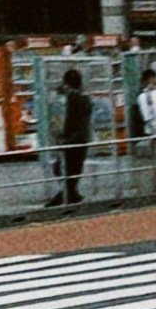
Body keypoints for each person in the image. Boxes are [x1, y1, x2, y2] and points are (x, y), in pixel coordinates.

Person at [52, 65, 93, 206]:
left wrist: (62, 137)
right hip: (82, 137)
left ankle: (66, 195)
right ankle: (72, 193)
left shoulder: (72, 98)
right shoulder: (85, 97)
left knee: (62, 167)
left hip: (71, 138)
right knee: (75, 167)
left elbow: (68, 119)